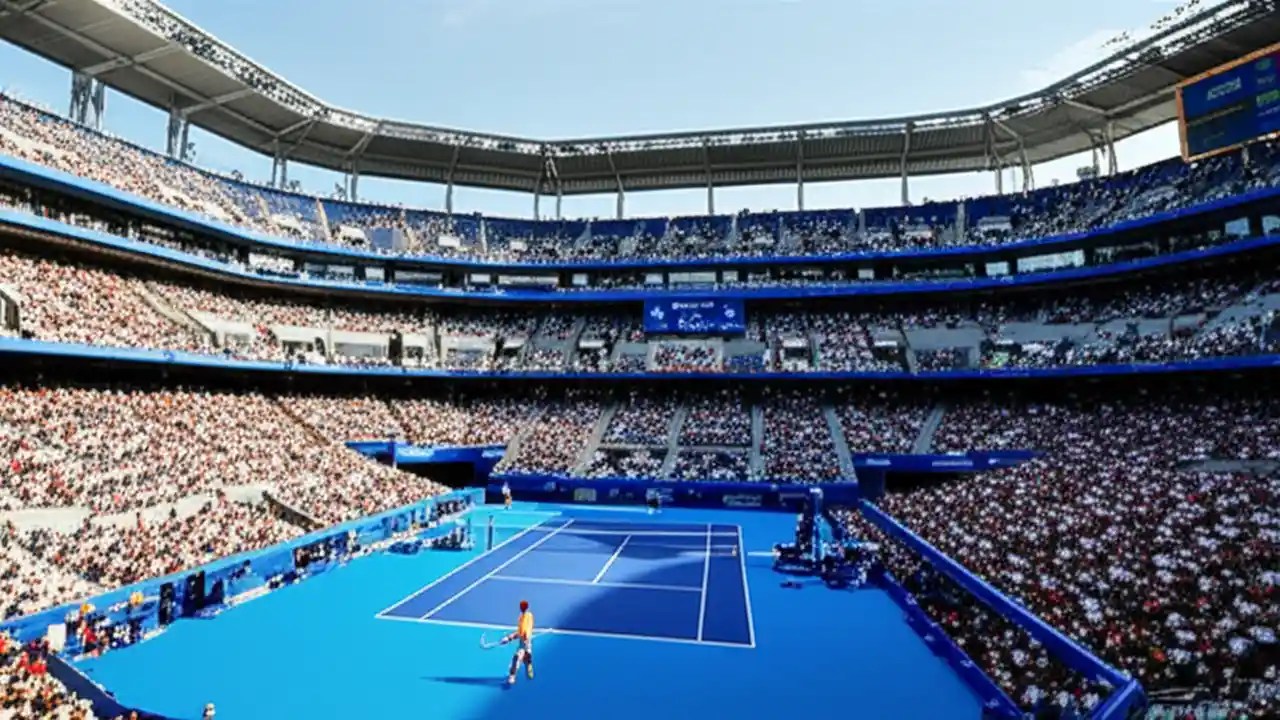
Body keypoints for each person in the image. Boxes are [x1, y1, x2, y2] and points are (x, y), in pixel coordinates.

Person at [501, 600, 534, 685]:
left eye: (522, 607)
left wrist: (509, 638)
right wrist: (508, 638)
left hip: (525, 642)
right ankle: (528, 662)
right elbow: (520, 633)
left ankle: (512, 676)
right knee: (524, 656)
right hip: (525, 641)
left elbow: (522, 633)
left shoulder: (525, 618)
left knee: (516, 658)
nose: (521, 608)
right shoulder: (527, 616)